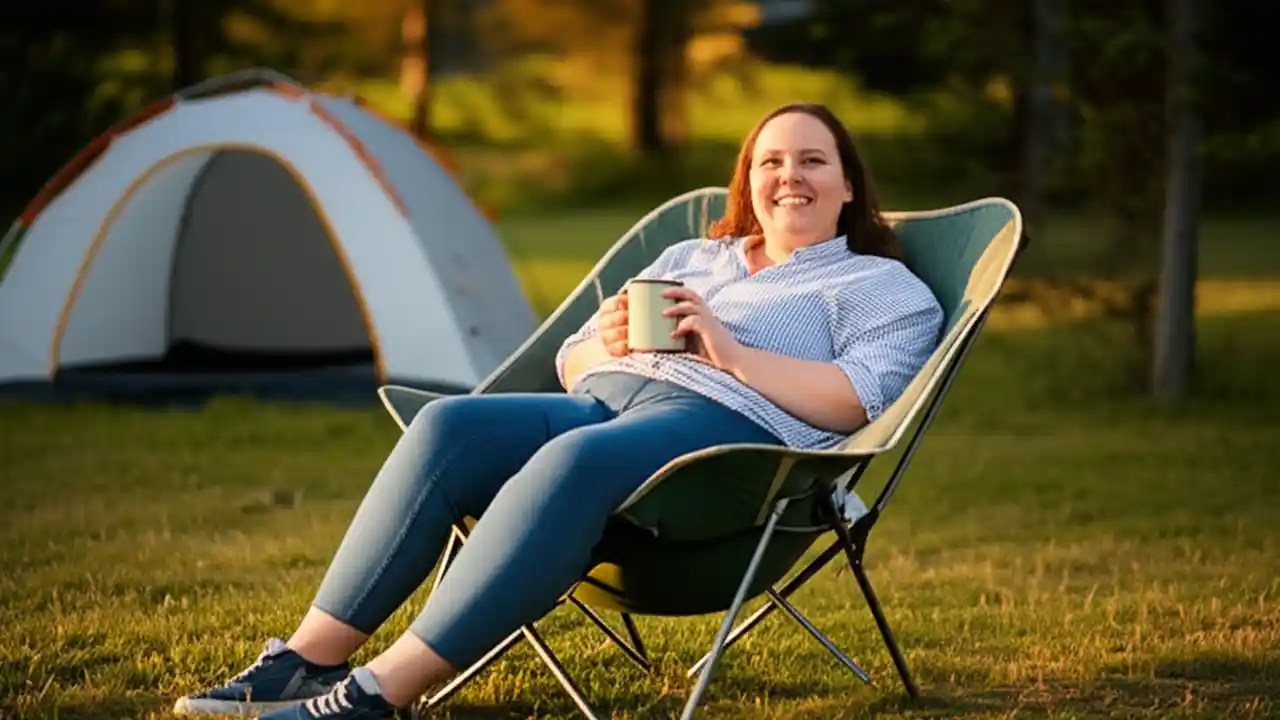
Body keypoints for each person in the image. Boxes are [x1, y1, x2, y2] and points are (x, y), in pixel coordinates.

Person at [171, 102, 943, 719]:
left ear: (848, 186)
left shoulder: (880, 287)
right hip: (605, 402)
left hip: (728, 449)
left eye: (813, 160)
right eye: (770, 161)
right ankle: (305, 662)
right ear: (749, 181)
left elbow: (855, 401)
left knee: (573, 461)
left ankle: (375, 694)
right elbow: (572, 359)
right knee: (449, 426)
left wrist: (725, 350)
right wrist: (603, 342)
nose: (790, 176)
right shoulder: (692, 258)